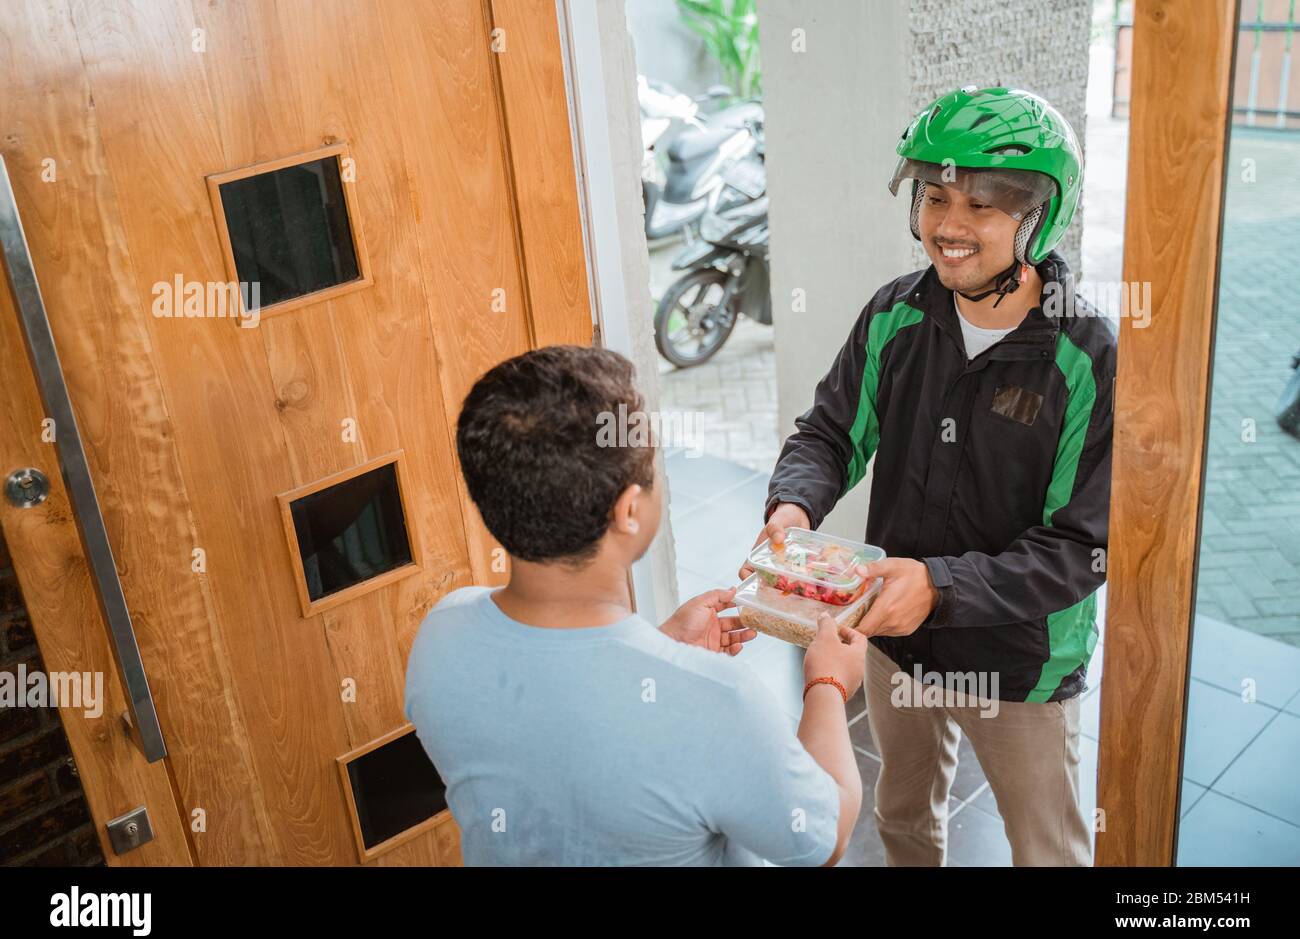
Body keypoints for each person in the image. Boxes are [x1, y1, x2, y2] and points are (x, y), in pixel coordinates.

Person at [745, 86, 1116, 866]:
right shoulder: (895, 316)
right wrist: (792, 508)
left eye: (982, 206)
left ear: (1037, 218)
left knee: (1047, 848)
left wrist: (941, 587)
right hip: (893, 644)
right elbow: (829, 433)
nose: (948, 225)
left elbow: (1081, 548)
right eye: (936, 196)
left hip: (1021, 664)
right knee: (904, 816)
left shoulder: (1088, 358)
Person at [405, 345, 866, 866]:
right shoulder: (716, 700)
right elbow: (824, 839)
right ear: (628, 510)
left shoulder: (441, 633)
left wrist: (661, 651)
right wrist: (827, 684)